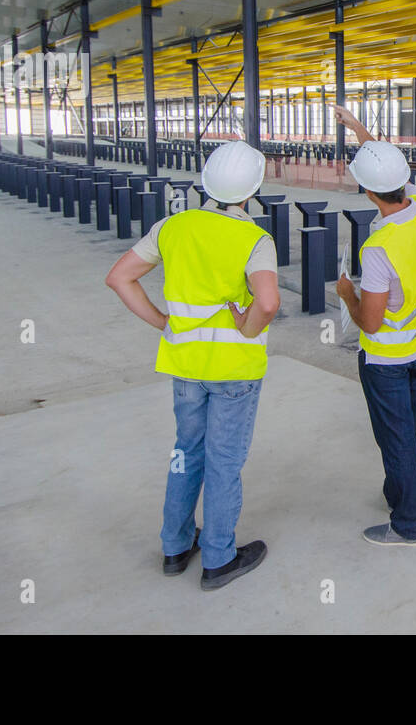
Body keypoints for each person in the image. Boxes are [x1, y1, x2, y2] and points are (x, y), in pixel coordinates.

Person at [104, 140, 280, 590]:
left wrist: (164, 322)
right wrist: (247, 326)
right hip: (235, 372)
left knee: (186, 452)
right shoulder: (255, 240)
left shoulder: (171, 227)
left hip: (185, 367)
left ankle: (176, 546)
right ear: (253, 190)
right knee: (224, 461)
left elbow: (119, 278)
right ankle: (219, 557)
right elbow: (268, 302)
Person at [332, 105, 416, 547]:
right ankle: (399, 490)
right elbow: (383, 169)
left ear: (365, 191)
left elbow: (372, 324)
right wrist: (358, 130)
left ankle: (408, 523)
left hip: (389, 359)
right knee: (406, 428)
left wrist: (347, 295)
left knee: (396, 438)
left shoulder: (379, 250)